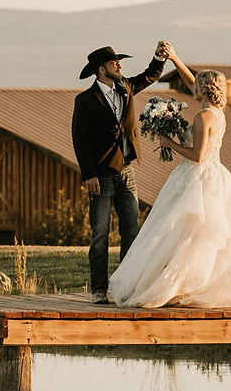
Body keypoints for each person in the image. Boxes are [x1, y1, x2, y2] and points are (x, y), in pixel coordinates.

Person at [108, 46, 231, 308]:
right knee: (199, 235)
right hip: (215, 177)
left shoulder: (202, 118)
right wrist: (174, 58)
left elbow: (197, 155)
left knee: (183, 233)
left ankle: (181, 285)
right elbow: (192, 81)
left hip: (196, 178)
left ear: (203, 91)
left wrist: (169, 142)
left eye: (197, 85)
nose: (192, 87)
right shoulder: (217, 113)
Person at [71, 42, 168, 303]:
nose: (120, 66)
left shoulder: (125, 87)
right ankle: (99, 290)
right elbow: (80, 140)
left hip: (127, 171)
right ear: (101, 69)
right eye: (114, 63)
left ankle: (126, 287)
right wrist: (89, 174)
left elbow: (149, 76)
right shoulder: (85, 101)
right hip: (101, 175)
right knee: (100, 233)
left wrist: (158, 59)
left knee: (132, 232)